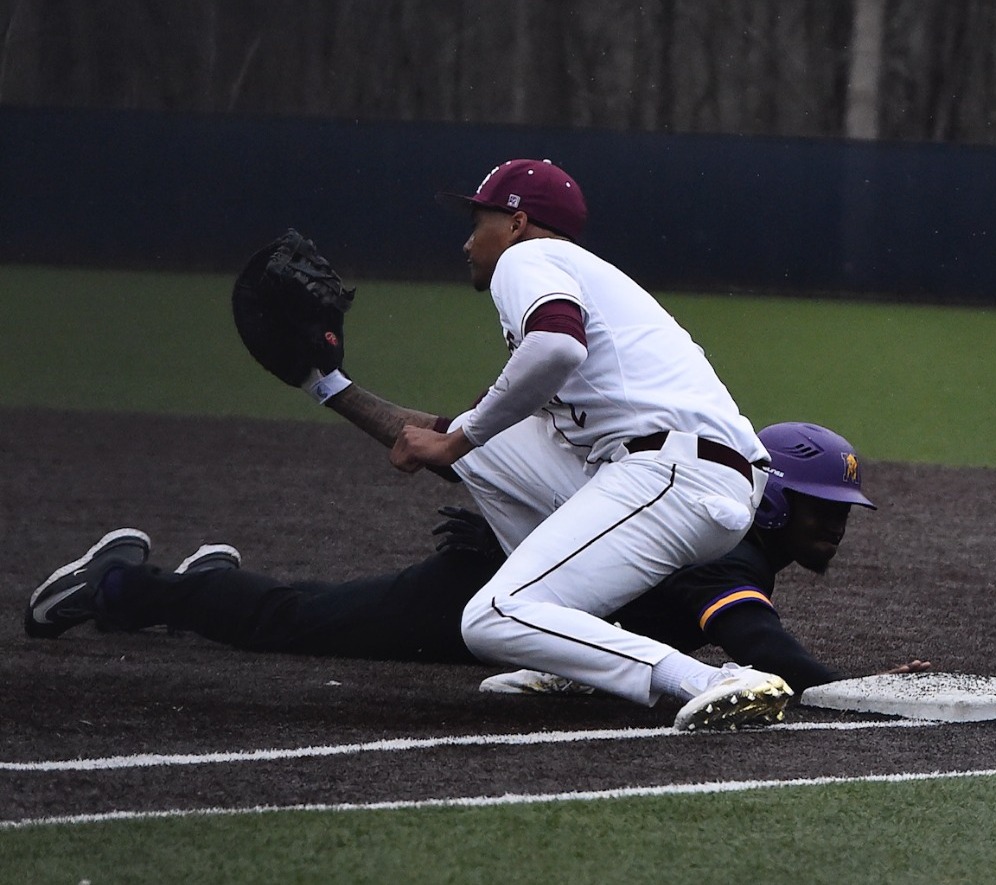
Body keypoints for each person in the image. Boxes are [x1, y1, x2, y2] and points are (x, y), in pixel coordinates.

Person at [24, 423, 928, 708]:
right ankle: (121, 587)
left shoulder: (725, 529)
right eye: (820, 510)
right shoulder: (729, 542)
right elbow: (756, 641)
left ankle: (198, 590)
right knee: (298, 622)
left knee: (303, 611)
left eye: (839, 514)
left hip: (519, 587)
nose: (834, 529)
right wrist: (855, 687)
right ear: (774, 499)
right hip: (483, 590)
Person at [367, 157, 786, 730]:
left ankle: (711, 679)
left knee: (490, 618)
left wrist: (455, 440)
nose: (468, 243)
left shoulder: (528, 257)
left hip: (673, 473)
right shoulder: (575, 268)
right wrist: (332, 387)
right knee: (488, 452)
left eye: (479, 221)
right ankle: (572, 649)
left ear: (516, 222)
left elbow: (558, 347)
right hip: (694, 472)